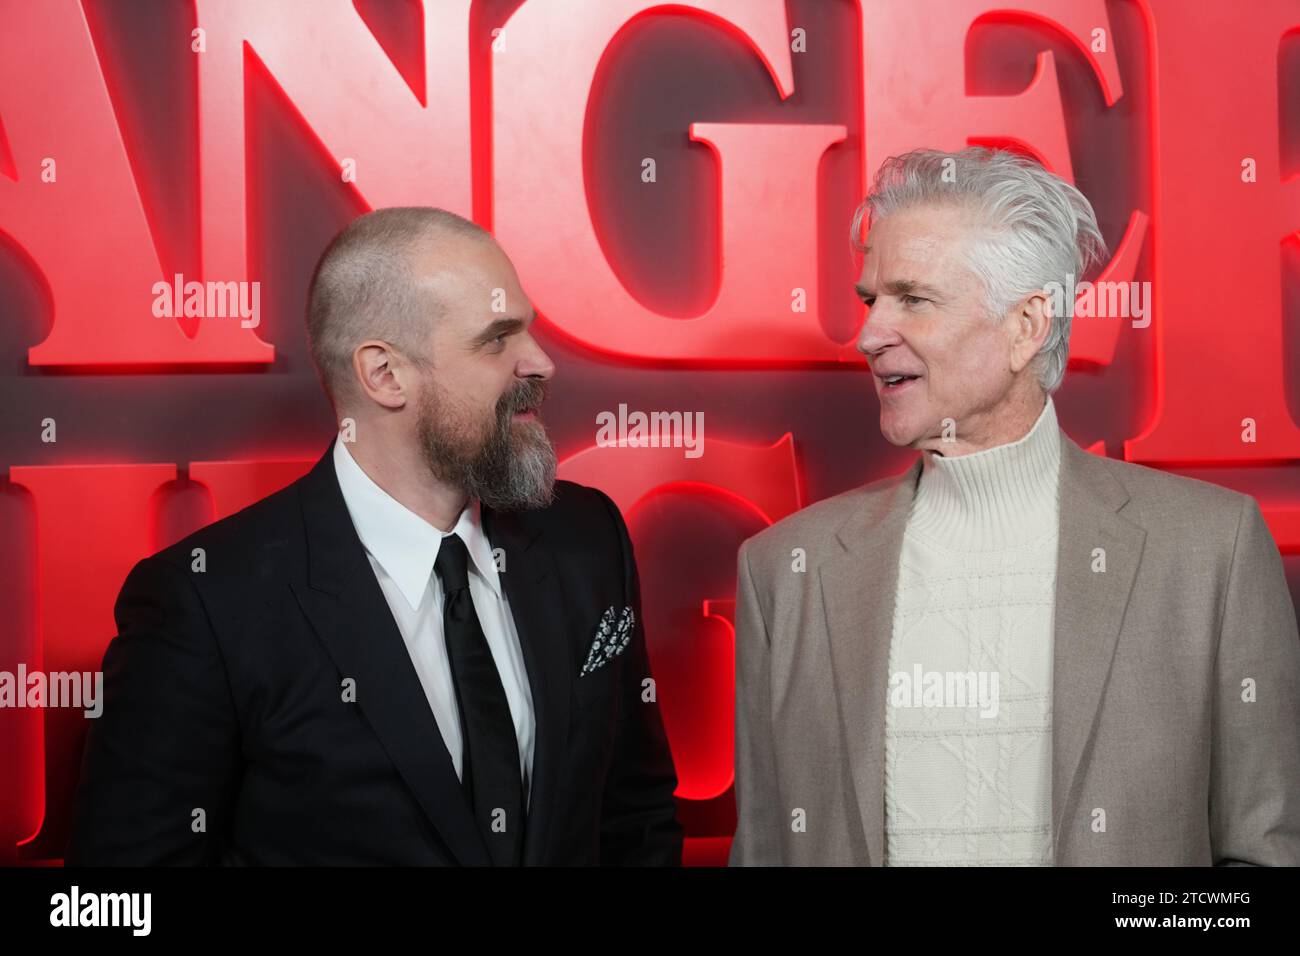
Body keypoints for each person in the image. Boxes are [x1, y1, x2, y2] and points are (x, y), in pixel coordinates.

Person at [729, 147, 1300, 866]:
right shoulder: (784, 572)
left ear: (1027, 326)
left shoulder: (1211, 551)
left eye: (913, 298)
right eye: (872, 300)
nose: (869, 335)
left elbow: (1263, 861)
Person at [66, 207, 682, 865]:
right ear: (384, 375)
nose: (540, 363)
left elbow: (634, 815)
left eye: (527, 330)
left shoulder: (585, 540)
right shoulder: (207, 604)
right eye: (497, 339)